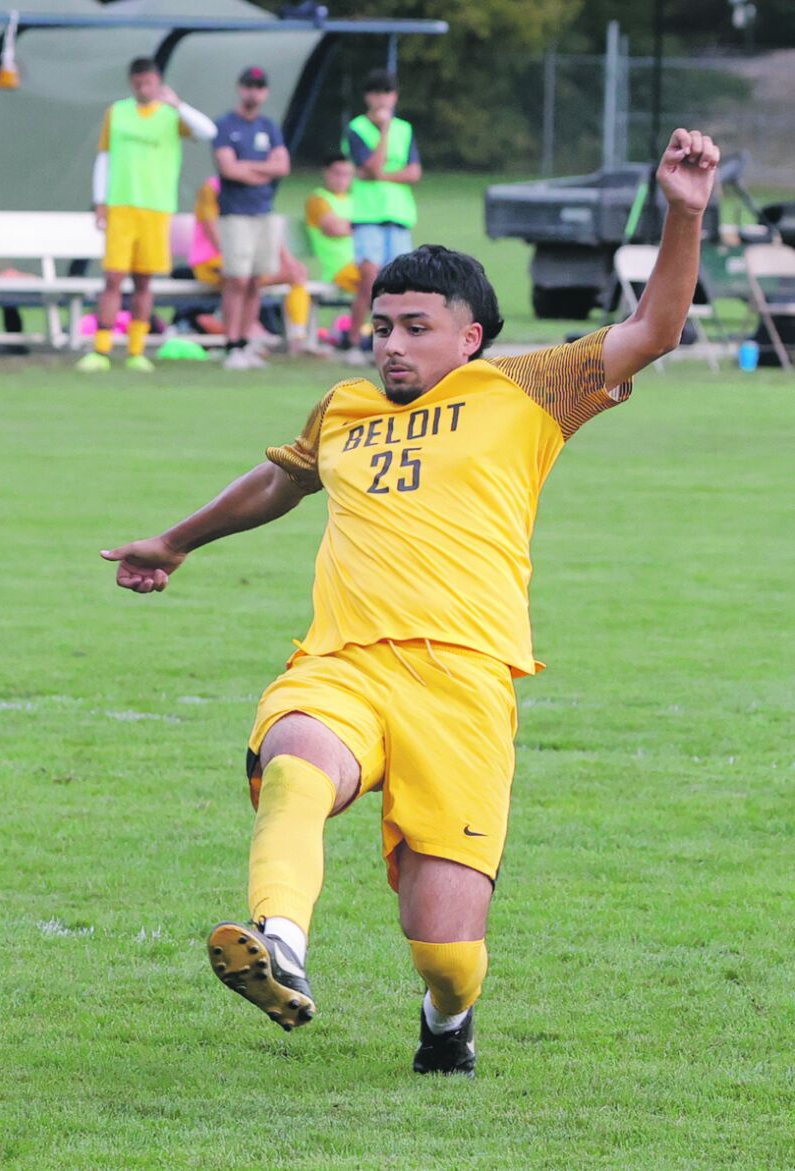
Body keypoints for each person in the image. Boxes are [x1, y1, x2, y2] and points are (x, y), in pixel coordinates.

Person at [101, 129, 720, 1076]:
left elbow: (655, 330)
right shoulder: (345, 407)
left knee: (442, 947)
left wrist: (683, 211)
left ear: (469, 333)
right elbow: (279, 484)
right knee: (294, 761)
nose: (390, 342)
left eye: (414, 326)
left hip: (464, 680)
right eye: (380, 324)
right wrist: (174, 541)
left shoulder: (526, 387)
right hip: (342, 659)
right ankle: (279, 947)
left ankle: (445, 1019)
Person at [78, 57, 215, 374]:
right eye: (138, 82)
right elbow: (104, 157)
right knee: (113, 277)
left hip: (155, 209)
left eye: (149, 82)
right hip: (122, 205)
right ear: (131, 82)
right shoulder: (118, 112)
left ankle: (136, 351)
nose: (143, 87)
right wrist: (100, 201)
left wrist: (179, 105)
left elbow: (209, 132)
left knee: (144, 281)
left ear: (158, 82)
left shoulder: (171, 114)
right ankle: (101, 349)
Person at [213, 66, 290, 371]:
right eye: (249, 85)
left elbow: (282, 166)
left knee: (257, 280)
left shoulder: (268, 126)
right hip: (236, 214)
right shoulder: (226, 125)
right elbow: (228, 169)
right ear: (239, 88)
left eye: (259, 86)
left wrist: (250, 169)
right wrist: (261, 168)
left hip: (263, 212)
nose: (253, 91)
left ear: (265, 92)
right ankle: (230, 343)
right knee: (237, 279)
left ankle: (246, 342)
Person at [343, 71, 422, 366]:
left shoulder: (406, 128)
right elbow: (372, 166)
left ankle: (395, 344)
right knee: (370, 282)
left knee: (401, 287)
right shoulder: (358, 128)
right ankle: (353, 342)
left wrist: (383, 175)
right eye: (376, 93)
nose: (382, 99)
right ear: (368, 97)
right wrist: (384, 131)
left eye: (387, 93)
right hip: (367, 215)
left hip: (399, 216)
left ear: (394, 97)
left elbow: (414, 173)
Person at [189, 173, 314, 354]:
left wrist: (288, 260)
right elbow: (211, 228)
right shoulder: (212, 188)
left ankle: (298, 337)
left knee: (295, 273)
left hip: (247, 259)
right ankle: (237, 341)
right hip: (213, 260)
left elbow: (266, 230)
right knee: (242, 278)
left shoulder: (255, 188)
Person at [301, 153, 361, 351]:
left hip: (359, 265)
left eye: (347, 174)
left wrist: (350, 225)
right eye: (337, 173)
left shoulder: (354, 198)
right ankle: (353, 341)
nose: (342, 179)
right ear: (326, 173)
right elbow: (333, 228)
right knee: (377, 283)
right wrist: (364, 225)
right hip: (338, 269)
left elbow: (344, 226)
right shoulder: (319, 199)